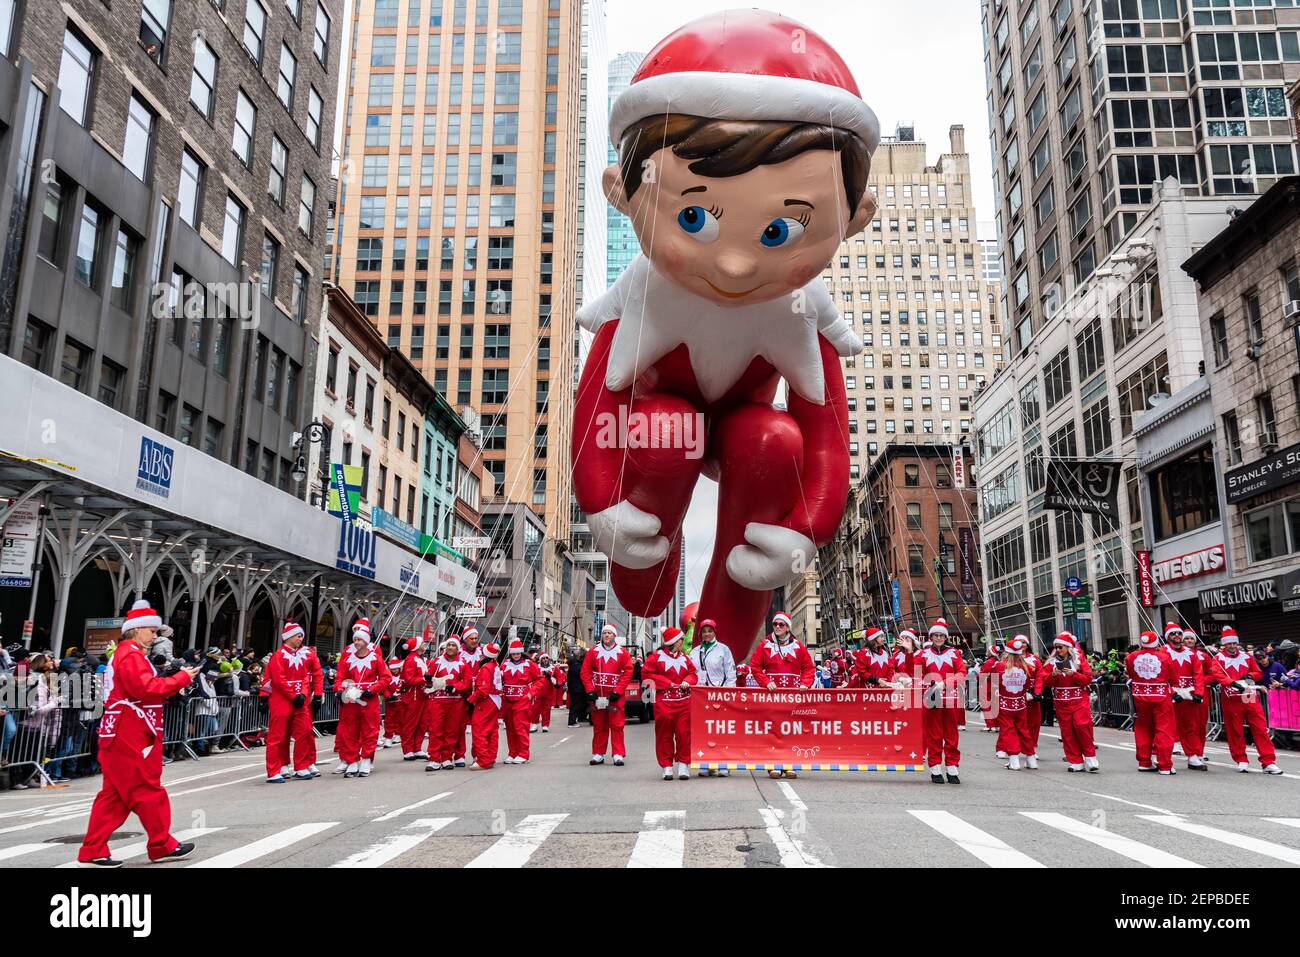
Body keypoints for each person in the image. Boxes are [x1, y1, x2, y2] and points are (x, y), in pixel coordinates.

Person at [76, 601, 200, 866]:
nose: (155, 636)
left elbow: (143, 690)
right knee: (146, 789)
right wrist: (181, 679)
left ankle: (95, 848)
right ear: (137, 629)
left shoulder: (128, 654)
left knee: (115, 796)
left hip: (124, 730)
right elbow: (145, 689)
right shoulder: (130, 655)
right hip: (131, 732)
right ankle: (161, 844)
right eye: (152, 630)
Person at [1213, 627, 1282, 774]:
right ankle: (1241, 759)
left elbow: (1257, 672)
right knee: (1235, 730)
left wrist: (1250, 676)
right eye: (1229, 643)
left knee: (1260, 728)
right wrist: (1232, 682)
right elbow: (1217, 675)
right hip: (1231, 697)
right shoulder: (1218, 659)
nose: (1232, 646)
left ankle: (1268, 761)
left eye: (1234, 643)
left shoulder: (1247, 656)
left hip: (1249, 695)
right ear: (1224, 644)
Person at [333, 619, 392, 778]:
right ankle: (351, 761)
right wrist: (339, 691)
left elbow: (386, 678)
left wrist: (372, 690)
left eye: (359, 639)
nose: (356, 642)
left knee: (370, 731)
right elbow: (339, 678)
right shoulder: (347, 660)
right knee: (349, 731)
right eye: (355, 639)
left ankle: (366, 759)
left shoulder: (376, 659)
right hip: (351, 700)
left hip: (368, 700)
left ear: (366, 642)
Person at [263, 621, 321, 783]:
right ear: (288, 637)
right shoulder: (278, 656)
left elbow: (304, 676)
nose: (300, 639)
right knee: (278, 735)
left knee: (304, 731)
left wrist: (303, 693)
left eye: (301, 636)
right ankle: (274, 769)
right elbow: (279, 680)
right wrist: (293, 695)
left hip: (298, 699)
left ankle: (301, 766)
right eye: (297, 636)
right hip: (282, 700)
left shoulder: (299, 656)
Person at [1036, 632, 1098, 772]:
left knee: (1082, 726)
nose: (1058, 650)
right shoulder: (1051, 663)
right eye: (1056, 647)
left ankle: (1090, 756)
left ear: (1068, 647)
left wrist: (1073, 674)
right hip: (1061, 701)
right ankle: (1076, 760)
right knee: (1067, 731)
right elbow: (1046, 681)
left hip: (1078, 699)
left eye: (1061, 647)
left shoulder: (1079, 660)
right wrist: (1053, 675)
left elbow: (1088, 679)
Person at [643, 627, 698, 780]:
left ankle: (683, 764)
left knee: (683, 733)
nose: (682, 642)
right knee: (664, 733)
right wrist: (666, 682)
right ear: (675, 642)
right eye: (681, 640)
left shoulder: (685, 658)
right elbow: (646, 675)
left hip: (683, 701)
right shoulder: (656, 657)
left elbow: (692, 673)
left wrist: (687, 681)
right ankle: (666, 765)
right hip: (664, 701)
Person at [918, 619, 967, 784]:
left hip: (951, 698)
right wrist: (931, 686)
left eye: (941, 635)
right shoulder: (923, 654)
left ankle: (952, 767)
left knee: (951, 735)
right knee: (934, 735)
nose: (938, 638)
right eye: (936, 635)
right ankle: (935, 768)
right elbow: (918, 675)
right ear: (931, 637)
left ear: (946, 637)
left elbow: (961, 673)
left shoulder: (954, 653)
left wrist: (945, 683)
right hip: (932, 698)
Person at [1126, 630, 1179, 775]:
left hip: (1140, 696)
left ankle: (1144, 761)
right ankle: (1164, 764)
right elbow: (1173, 678)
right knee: (1164, 729)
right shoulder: (1164, 657)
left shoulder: (1131, 657)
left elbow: (1131, 674)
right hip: (1160, 696)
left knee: (1143, 727)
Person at [581, 625, 634, 766]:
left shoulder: (622, 652)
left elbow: (628, 672)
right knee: (599, 724)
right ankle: (598, 753)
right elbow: (585, 671)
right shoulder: (593, 651)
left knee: (617, 725)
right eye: (604, 633)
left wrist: (618, 691)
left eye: (609, 633)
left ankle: (618, 753)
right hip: (598, 696)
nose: (606, 635)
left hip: (614, 696)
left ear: (614, 635)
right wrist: (590, 690)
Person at [1164, 625, 1211, 771]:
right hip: (1171, 694)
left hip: (1188, 694)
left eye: (1179, 633)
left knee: (1190, 725)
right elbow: (1161, 676)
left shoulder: (1192, 654)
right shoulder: (1162, 652)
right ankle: (1162, 758)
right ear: (1167, 637)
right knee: (1166, 726)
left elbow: (1198, 674)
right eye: (1173, 634)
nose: (1177, 635)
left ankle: (1193, 756)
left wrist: (1198, 693)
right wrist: (1172, 692)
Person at [425, 637, 472, 771]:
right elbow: (429, 678)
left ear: (457, 649)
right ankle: (434, 758)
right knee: (435, 730)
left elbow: (467, 681)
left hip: (455, 701)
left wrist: (455, 686)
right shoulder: (436, 662)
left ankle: (446, 757)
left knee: (451, 731)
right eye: (448, 645)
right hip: (438, 701)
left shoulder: (463, 663)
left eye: (453, 645)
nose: (450, 647)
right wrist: (428, 680)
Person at [992, 635, 1038, 770]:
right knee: (1024, 731)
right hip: (1021, 704)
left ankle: (1014, 760)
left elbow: (994, 684)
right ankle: (1031, 758)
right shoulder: (1027, 667)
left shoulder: (999, 666)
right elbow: (1028, 685)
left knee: (1008, 731)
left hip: (1005, 704)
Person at [500, 638, 545, 764]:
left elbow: (540, 680)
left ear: (521, 653)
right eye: (513, 654)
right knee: (510, 728)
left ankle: (523, 753)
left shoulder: (529, 664)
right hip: (508, 699)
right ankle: (512, 753)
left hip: (522, 700)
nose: (516, 656)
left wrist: (531, 693)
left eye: (518, 653)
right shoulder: (505, 664)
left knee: (521, 727)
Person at [467, 641, 503, 770]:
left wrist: (470, 699)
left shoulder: (486, 668)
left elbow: (483, 689)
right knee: (492, 731)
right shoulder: (495, 665)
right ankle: (490, 757)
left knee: (479, 730)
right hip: (495, 701)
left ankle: (483, 760)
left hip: (486, 702)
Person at [454, 625, 485, 766]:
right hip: (462, 694)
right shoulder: (458, 654)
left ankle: (477, 754)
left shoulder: (482, 653)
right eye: (471, 638)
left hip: (479, 695)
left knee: (478, 727)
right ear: (465, 639)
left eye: (475, 638)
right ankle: (459, 755)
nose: (474, 641)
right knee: (459, 726)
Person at [399, 634, 433, 760]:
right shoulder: (411, 659)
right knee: (410, 723)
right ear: (417, 646)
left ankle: (417, 747)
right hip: (413, 695)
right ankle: (407, 749)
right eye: (423, 644)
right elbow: (408, 679)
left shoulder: (421, 659)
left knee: (422, 722)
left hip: (422, 695)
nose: (425, 645)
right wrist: (424, 679)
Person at [530, 652, 556, 733]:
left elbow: (559, 677)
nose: (545, 660)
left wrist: (555, 681)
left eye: (546, 658)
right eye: (543, 658)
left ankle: (545, 725)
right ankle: (534, 724)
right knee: (535, 708)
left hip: (548, 692)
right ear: (540, 659)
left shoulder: (553, 668)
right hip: (537, 691)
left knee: (546, 709)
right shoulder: (536, 668)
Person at [567, 644, 589, 727]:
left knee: (577, 704)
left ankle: (579, 718)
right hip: (577, 688)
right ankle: (572, 722)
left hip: (575, 688)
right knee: (575, 705)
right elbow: (581, 675)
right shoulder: (576, 665)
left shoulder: (574, 664)